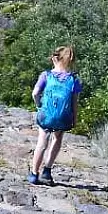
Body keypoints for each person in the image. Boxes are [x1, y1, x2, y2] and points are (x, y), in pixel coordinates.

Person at [28, 46, 82, 186]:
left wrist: (39, 105)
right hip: (63, 117)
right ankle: (47, 171)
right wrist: (74, 119)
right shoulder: (74, 79)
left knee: (42, 142)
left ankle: (34, 174)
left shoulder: (46, 75)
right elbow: (74, 102)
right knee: (57, 138)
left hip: (46, 115)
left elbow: (35, 93)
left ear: (54, 58)